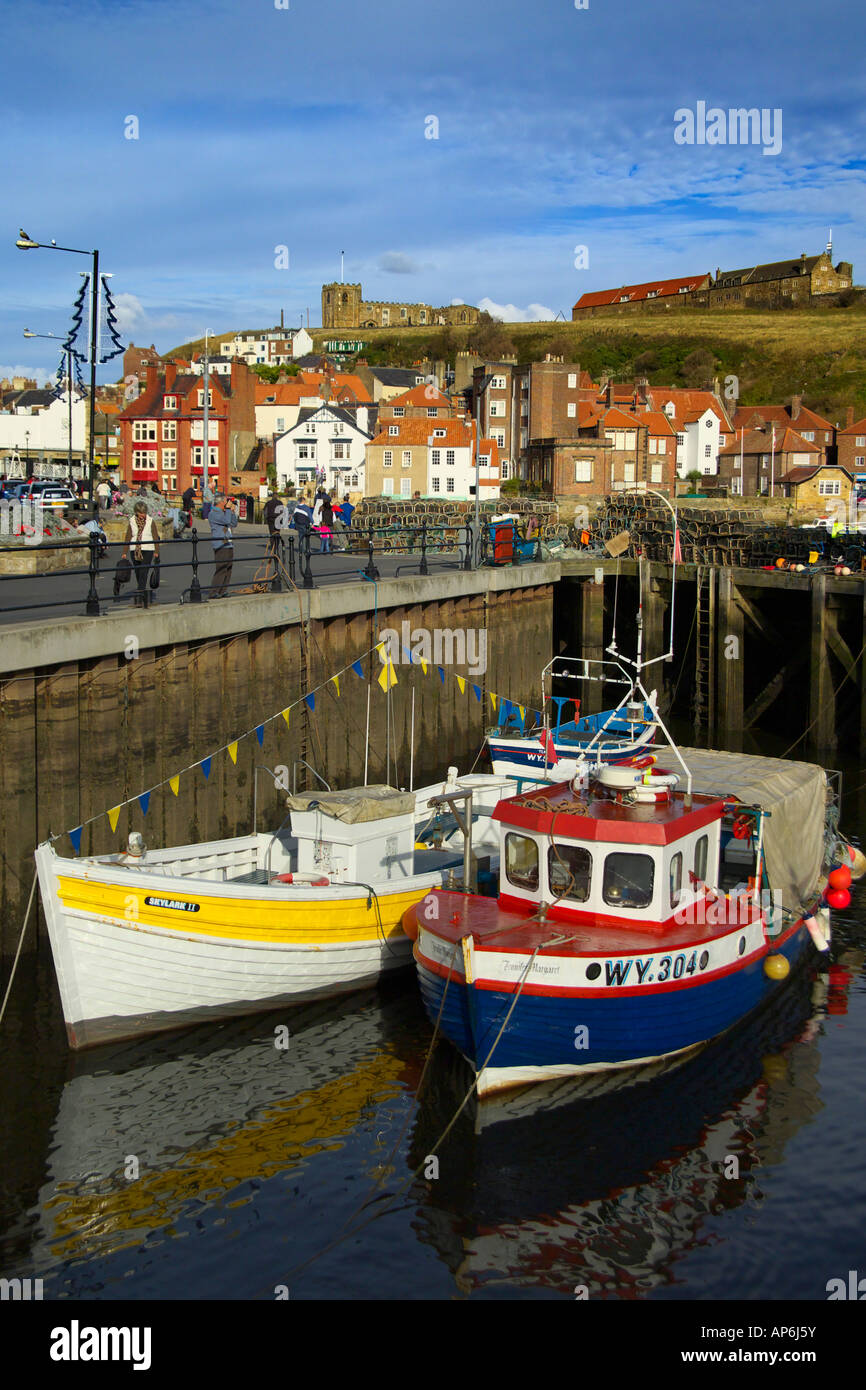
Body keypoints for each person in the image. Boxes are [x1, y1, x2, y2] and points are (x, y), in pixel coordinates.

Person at [121, 500, 160, 606]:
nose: (143, 515)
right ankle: (142, 592)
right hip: (135, 548)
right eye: (141, 513)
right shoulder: (132, 521)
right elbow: (128, 536)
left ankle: (140, 594)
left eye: (144, 513)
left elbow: (155, 535)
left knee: (144, 571)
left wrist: (157, 551)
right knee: (138, 571)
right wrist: (124, 552)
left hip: (148, 548)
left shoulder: (150, 521)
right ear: (136, 512)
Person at [207, 492, 238, 597]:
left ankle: (223, 590)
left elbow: (233, 523)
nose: (227, 503)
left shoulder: (225, 512)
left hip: (228, 543)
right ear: (220, 502)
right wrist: (229, 510)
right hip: (220, 544)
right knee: (221, 568)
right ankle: (214, 592)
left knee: (228, 568)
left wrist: (232, 512)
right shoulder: (214, 513)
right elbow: (226, 520)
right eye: (225, 501)